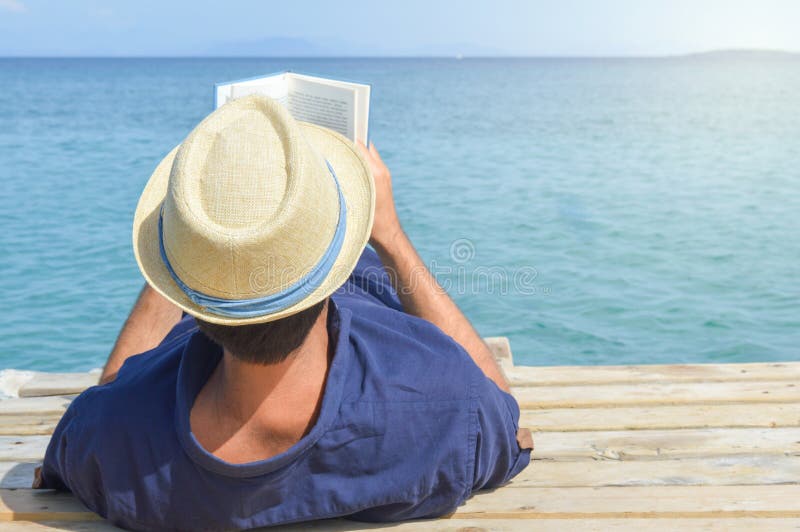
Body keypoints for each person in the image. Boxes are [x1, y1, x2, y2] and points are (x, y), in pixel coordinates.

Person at [35, 95, 533, 530]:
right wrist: (390, 237)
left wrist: (191, 245)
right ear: (329, 274)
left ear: (189, 297)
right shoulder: (442, 405)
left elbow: (107, 404)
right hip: (350, 292)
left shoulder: (115, 442)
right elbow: (509, 426)